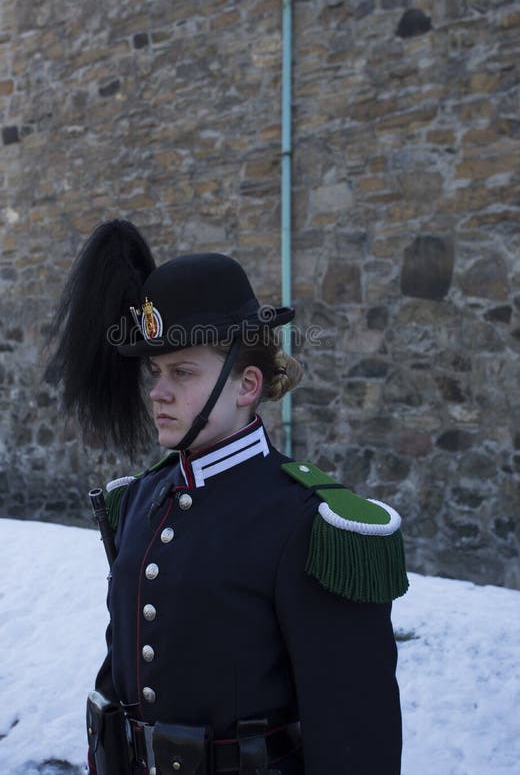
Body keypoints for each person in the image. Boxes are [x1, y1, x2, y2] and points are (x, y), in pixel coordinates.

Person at [46, 220, 408, 775]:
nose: (159, 392)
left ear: (247, 386)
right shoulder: (140, 499)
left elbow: (357, 736)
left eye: (183, 372)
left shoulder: (311, 525)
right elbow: (122, 676)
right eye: (156, 372)